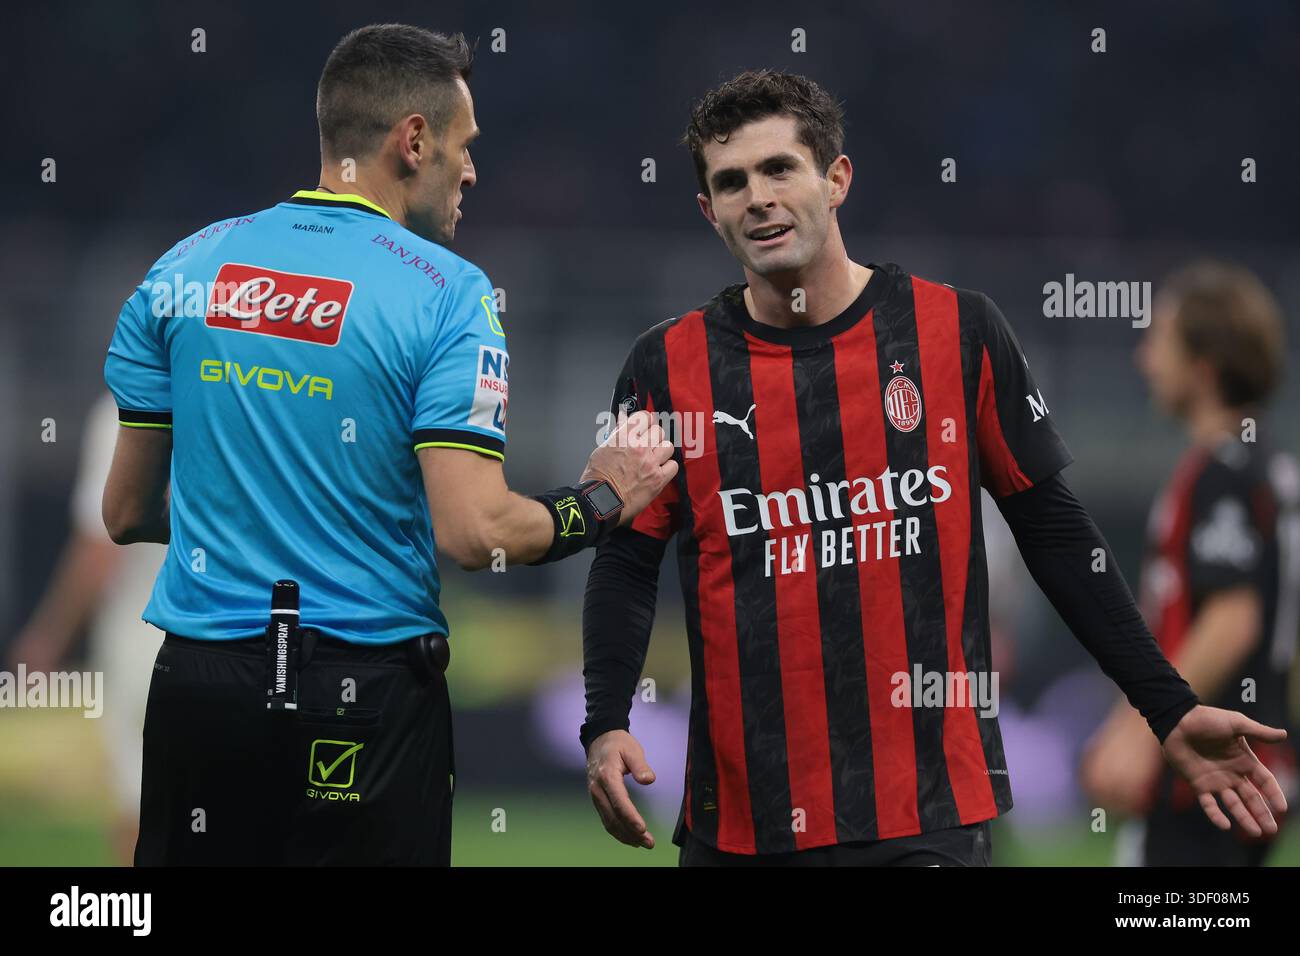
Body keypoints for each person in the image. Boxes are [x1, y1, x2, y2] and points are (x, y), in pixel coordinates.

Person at [579, 70, 1288, 866]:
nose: (759, 198)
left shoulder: (959, 331)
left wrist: (1166, 707)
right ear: (710, 212)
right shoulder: (665, 368)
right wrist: (606, 721)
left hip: (927, 818)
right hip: (744, 827)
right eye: (731, 182)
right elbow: (627, 560)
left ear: (836, 179)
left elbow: (1055, 534)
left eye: (780, 168)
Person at [102, 23, 675, 866]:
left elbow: (125, 513)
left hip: (198, 690)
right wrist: (600, 500)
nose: (471, 170)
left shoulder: (183, 269)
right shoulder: (447, 294)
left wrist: (257, 507)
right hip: (359, 693)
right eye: (464, 146)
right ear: (413, 140)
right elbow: (475, 533)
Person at [1082, 260, 1299, 865]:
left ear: (1203, 367)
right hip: (1248, 765)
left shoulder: (1224, 473)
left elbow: (1232, 619)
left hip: (1209, 772)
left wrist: (1139, 731)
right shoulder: (1262, 465)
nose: (1145, 359)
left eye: (1159, 341)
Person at [9, 393, 165, 864]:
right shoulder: (237, 395)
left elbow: (101, 546)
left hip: (143, 644)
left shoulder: (124, 408)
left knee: (140, 814)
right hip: (236, 641)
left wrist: (48, 637)